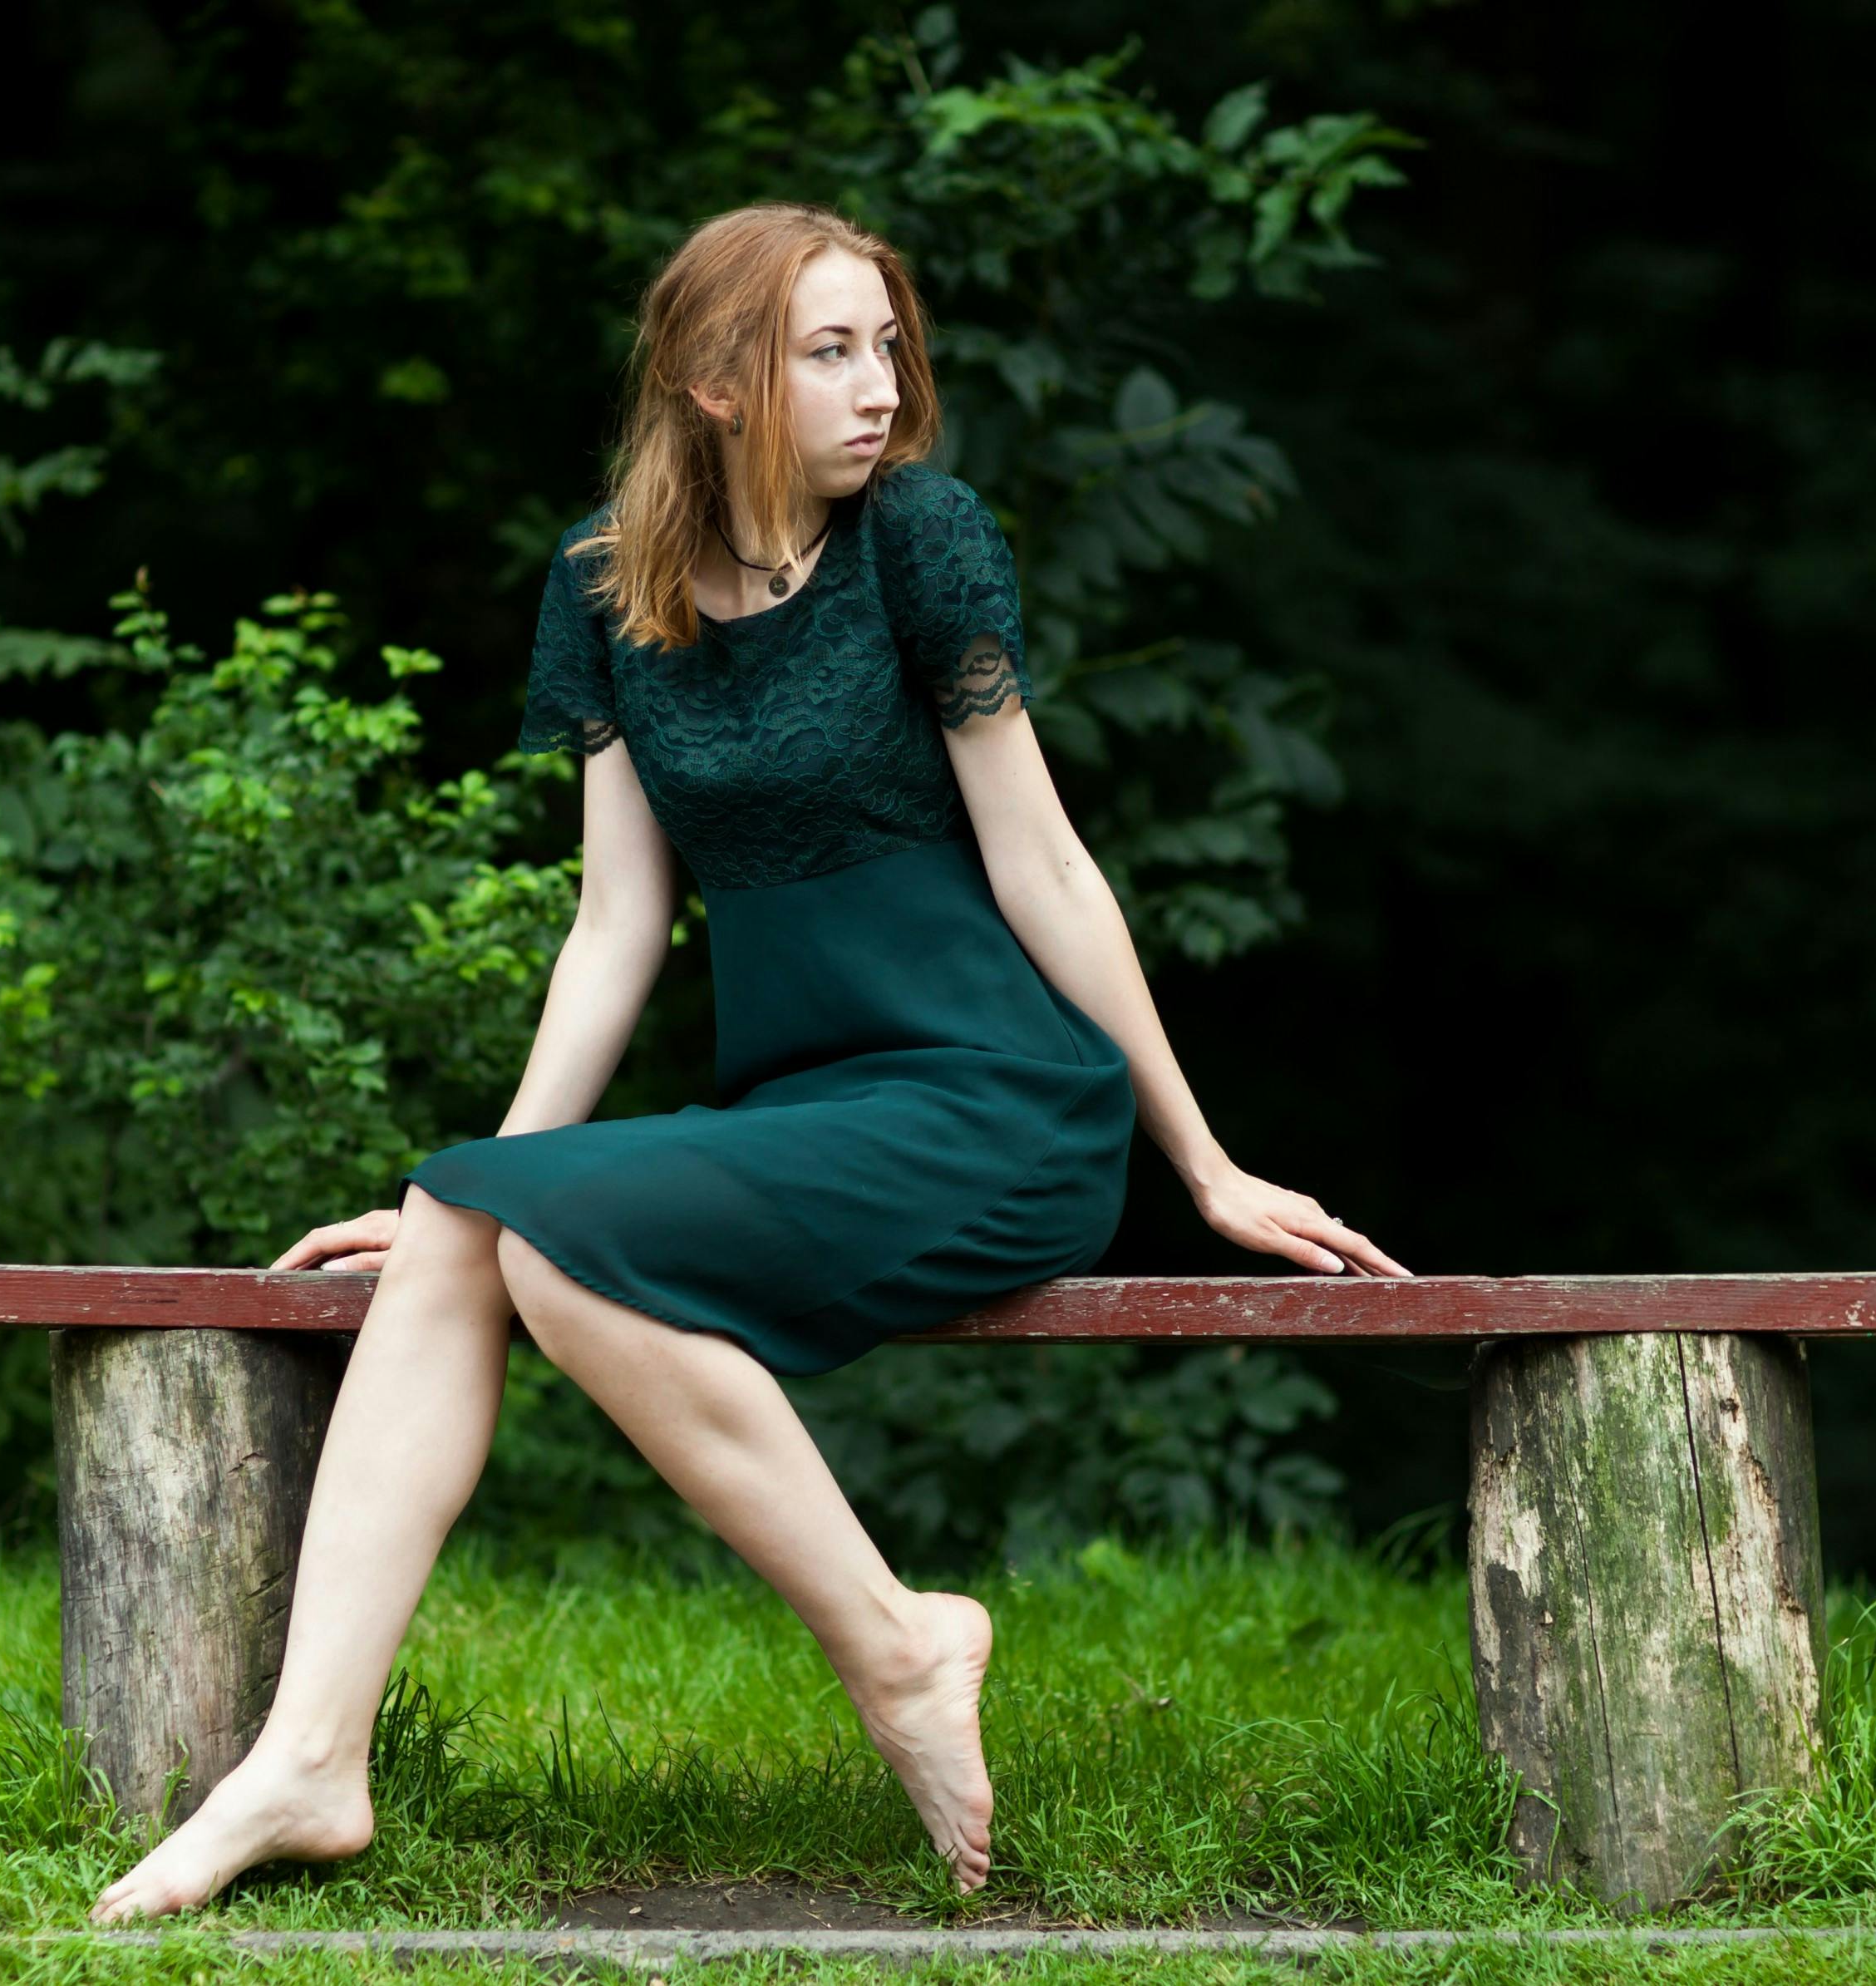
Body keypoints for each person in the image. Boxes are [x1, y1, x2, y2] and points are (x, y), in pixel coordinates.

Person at [88, 200, 1412, 1925]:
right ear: (717, 381)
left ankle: (891, 1644)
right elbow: (614, 925)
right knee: (486, 1222)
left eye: (886, 346)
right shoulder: (608, 584)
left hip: (997, 1101)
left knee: (529, 1240)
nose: (882, 389)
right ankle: (311, 1757)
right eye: (829, 350)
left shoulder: (920, 543)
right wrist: (472, 1181)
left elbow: (1046, 864)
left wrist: (1205, 1162)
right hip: (801, 1107)